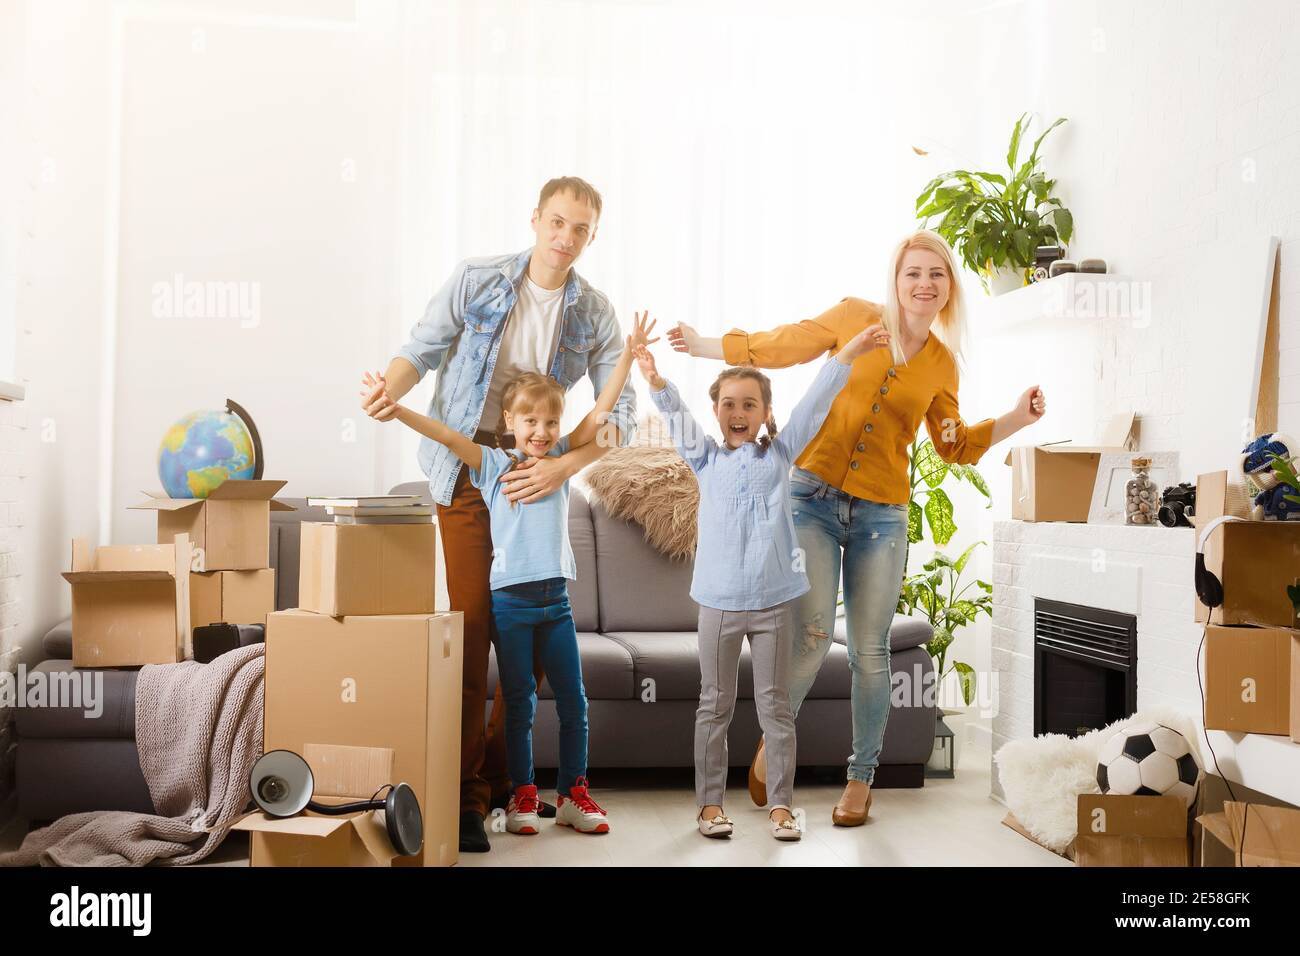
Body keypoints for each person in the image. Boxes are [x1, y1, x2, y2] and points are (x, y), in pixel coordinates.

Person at [667, 230, 1046, 826]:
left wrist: (1015, 419)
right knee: (812, 636)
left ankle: (860, 780)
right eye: (913, 272)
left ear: (949, 290)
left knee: (870, 651)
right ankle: (776, 738)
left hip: (881, 515)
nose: (924, 284)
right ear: (895, 280)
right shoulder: (853, 318)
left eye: (937, 275)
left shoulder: (943, 363)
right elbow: (785, 344)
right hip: (809, 501)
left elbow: (953, 444)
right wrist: (707, 345)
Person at [360, 177, 635, 852]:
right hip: (467, 473)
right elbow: (421, 349)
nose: (565, 238)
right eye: (557, 222)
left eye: (581, 230)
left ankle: (498, 788)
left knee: (529, 649)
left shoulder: (594, 314)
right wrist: (384, 390)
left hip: (533, 478)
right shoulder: (478, 280)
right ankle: (461, 798)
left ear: (591, 237)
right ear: (536, 219)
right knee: (473, 628)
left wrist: (561, 468)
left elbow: (616, 416)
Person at [635, 325, 876, 840]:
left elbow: (815, 403)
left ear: (766, 413)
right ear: (717, 411)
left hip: (771, 606)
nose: (738, 413)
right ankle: (709, 807)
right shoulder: (705, 459)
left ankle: (782, 806)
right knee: (714, 706)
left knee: (776, 708)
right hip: (718, 605)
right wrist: (656, 379)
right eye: (728, 404)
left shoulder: (781, 454)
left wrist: (848, 352)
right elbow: (677, 419)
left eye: (749, 404)